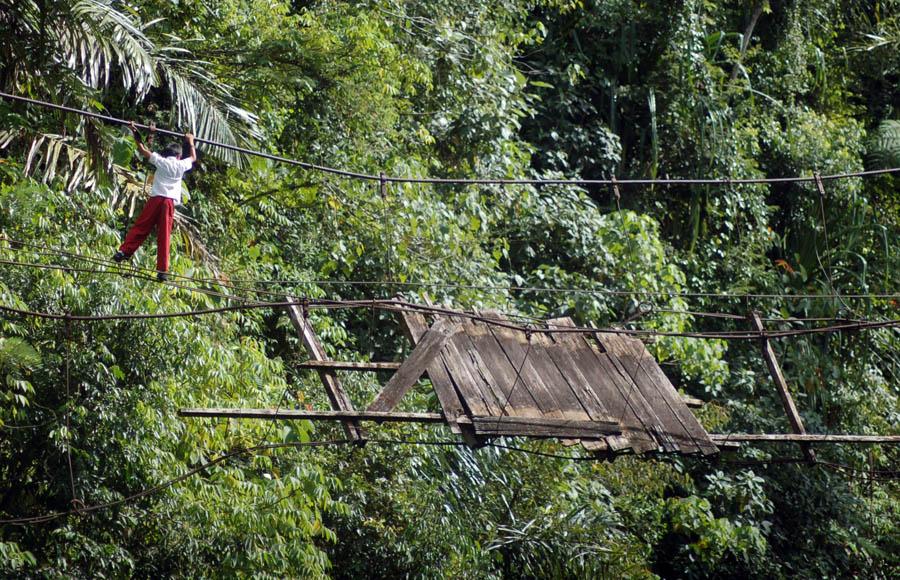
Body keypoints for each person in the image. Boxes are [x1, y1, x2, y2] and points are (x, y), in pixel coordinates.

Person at [113, 122, 196, 281]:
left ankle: (124, 251)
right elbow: (193, 157)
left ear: (167, 155)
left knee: (141, 226)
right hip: (168, 203)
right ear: (178, 156)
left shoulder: (161, 161)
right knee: (164, 235)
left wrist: (138, 131)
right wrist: (190, 141)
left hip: (156, 199)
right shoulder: (181, 164)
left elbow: (143, 149)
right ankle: (163, 271)